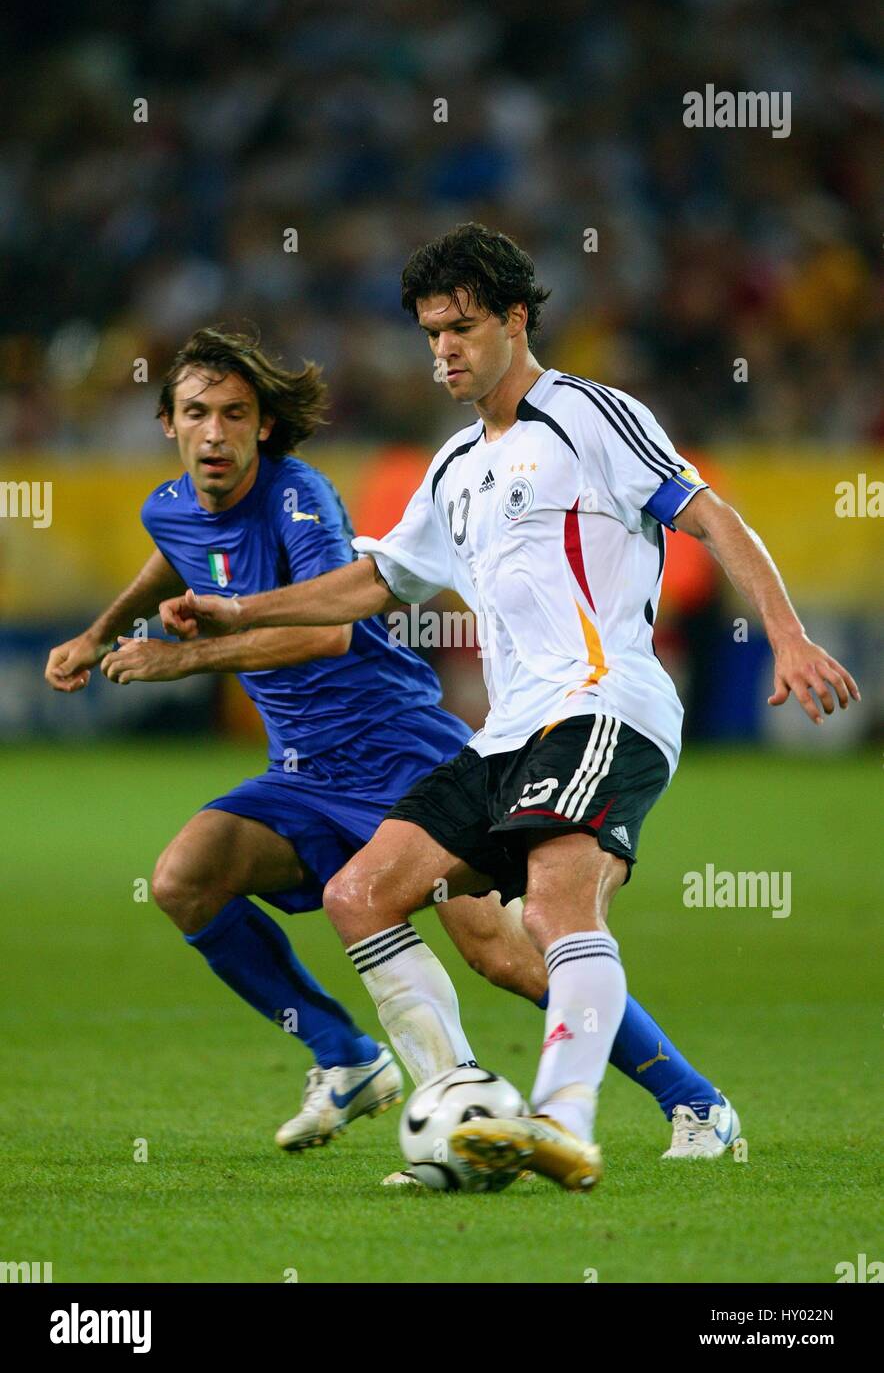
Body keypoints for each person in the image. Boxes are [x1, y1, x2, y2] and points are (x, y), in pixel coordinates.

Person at [179, 225, 860, 1192]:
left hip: (602, 704)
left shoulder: (588, 415)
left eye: (460, 328)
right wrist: (233, 611)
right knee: (361, 893)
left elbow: (710, 513)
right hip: (505, 733)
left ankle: (562, 1124)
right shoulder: (455, 465)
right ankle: (465, 1107)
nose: (443, 351)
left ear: (514, 318)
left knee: (553, 907)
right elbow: (373, 583)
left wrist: (786, 634)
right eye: (429, 334)